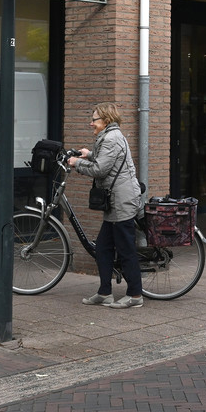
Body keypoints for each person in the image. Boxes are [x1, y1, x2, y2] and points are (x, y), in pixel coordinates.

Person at [68, 102, 145, 309]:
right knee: (103, 248)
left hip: (122, 201)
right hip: (115, 201)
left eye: (94, 119)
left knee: (125, 249)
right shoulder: (110, 136)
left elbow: (100, 169)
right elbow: (107, 159)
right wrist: (89, 154)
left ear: (106, 120)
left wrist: (77, 163)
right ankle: (104, 293)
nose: (91, 123)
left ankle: (135, 295)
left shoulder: (111, 138)